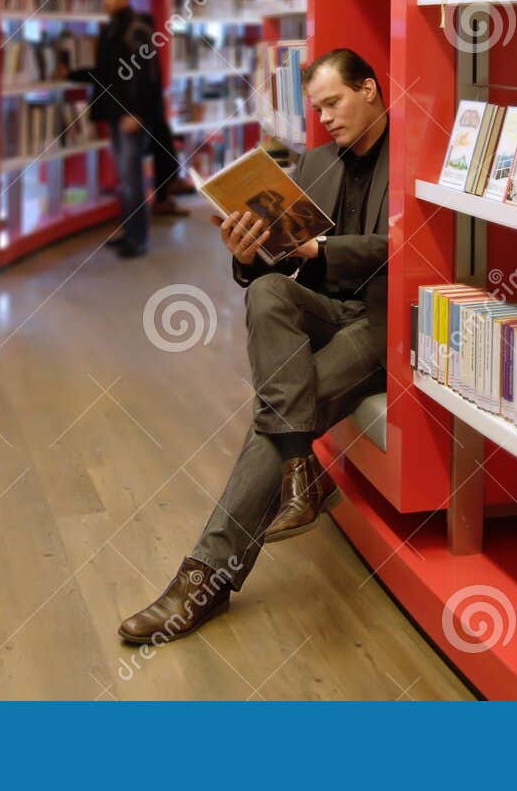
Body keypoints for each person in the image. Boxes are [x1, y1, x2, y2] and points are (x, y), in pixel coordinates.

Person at [118, 47, 389, 644]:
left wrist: (322, 253)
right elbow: (287, 266)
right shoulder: (318, 162)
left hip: (383, 321)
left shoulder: (412, 153)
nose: (327, 119)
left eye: (335, 103)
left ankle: (203, 580)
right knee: (265, 290)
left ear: (369, 89)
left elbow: (406, 250)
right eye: (318, 108)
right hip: (327, 310)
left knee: (277, 414)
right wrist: (249, 256)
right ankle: (301, 468)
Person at [68, 0, 164, 258]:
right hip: (115, 112)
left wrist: (136, 112)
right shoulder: (112, 28)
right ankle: (128, 231)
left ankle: (138, 239)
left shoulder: (137, 29)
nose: (106, 1)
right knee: (124, 178)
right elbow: (106, 72)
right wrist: (72, 74)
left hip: (130, 115)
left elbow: (145, 75)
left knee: (132, 178)